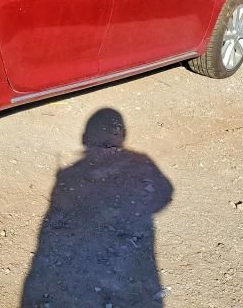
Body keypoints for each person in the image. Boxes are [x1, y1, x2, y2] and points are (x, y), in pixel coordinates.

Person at [22, 108, 173, 307]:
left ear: (85, 138)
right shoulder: (138, 162)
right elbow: (165, 193)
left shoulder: (69, 175)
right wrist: (138, 212)